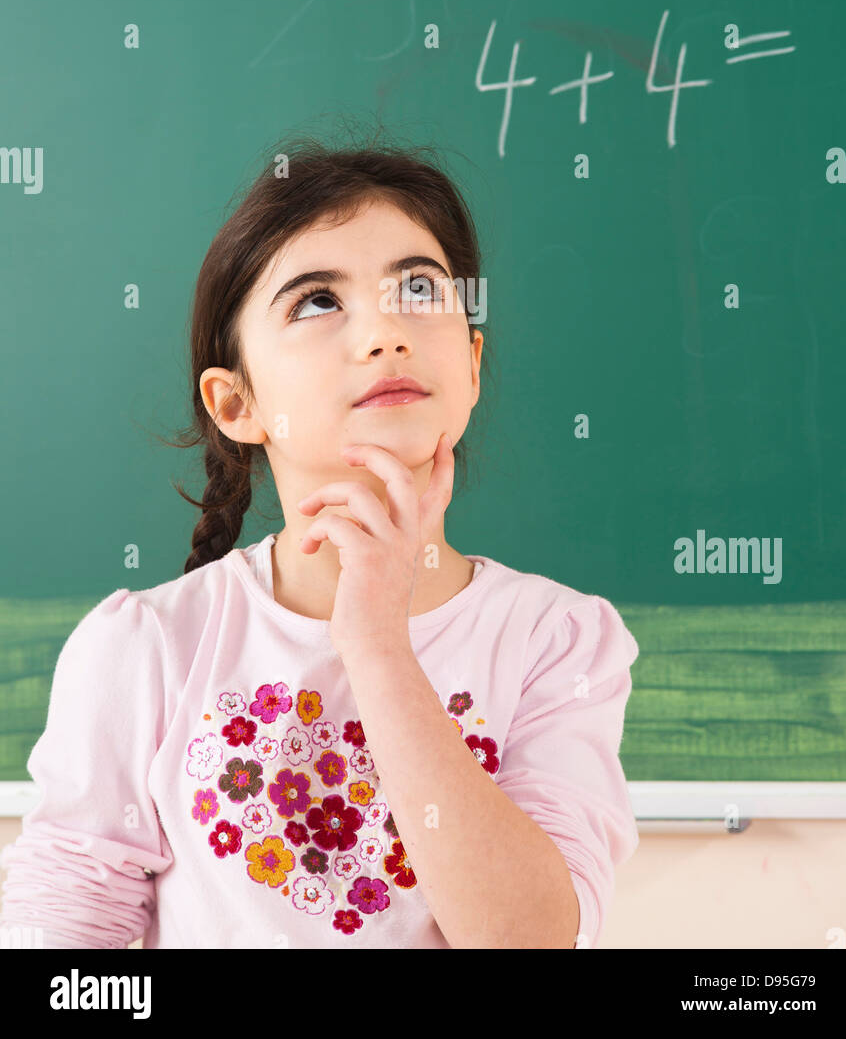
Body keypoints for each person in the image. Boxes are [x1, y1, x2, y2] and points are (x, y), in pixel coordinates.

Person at [0, 128, 640, 949]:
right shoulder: (146, 647)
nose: (386, 333)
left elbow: (529, 938)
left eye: (419, 288)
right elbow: (61, 941)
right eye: (318, 300)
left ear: (473, 366)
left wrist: (376, 644)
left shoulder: (557, 641)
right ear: (238, 405)